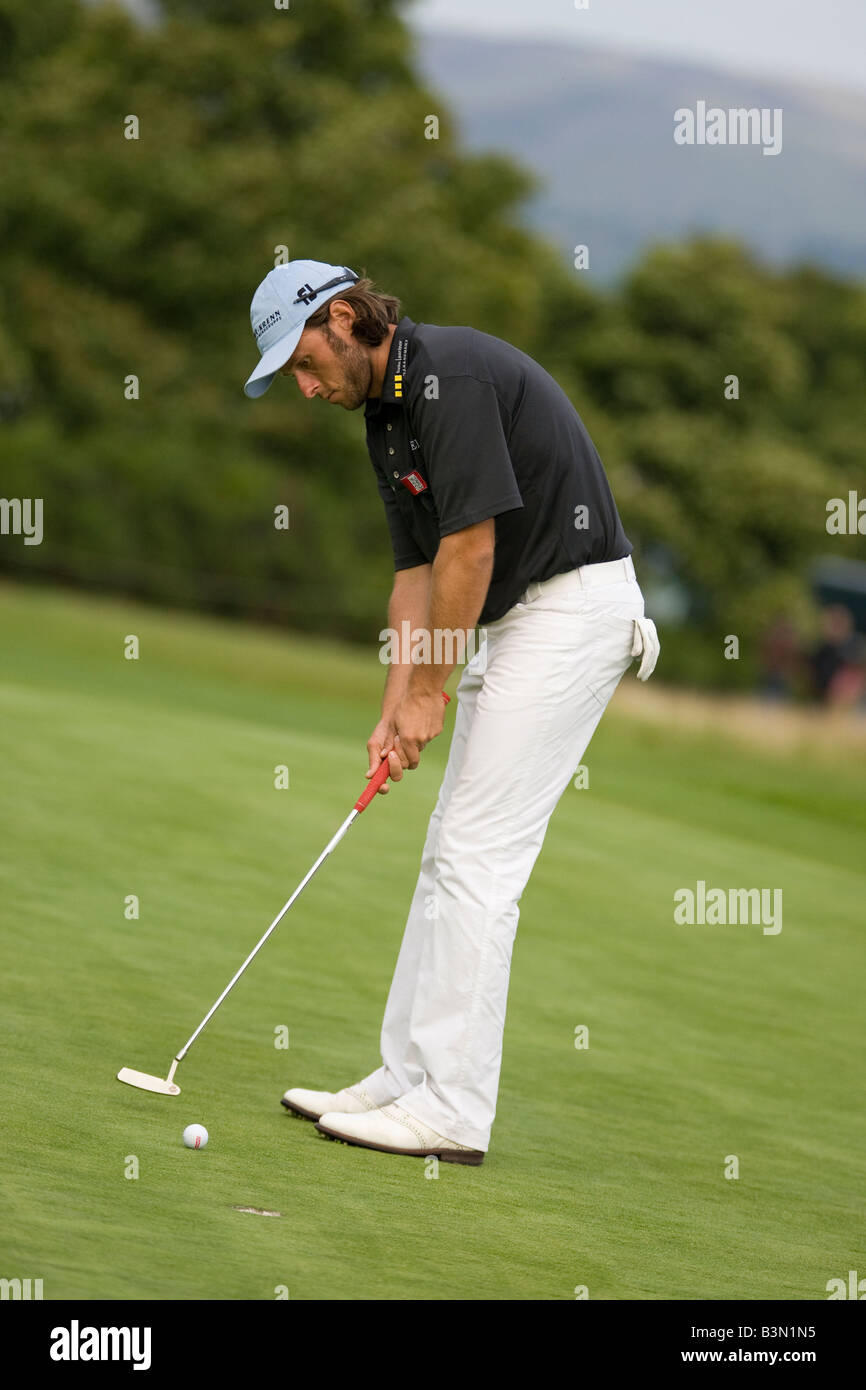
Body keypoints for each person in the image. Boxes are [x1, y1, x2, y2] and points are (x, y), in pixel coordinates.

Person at [244, 259, 660, 1164]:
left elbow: (470, 549)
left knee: (478, 856)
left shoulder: (449, 378)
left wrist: (431, 692)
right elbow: (414, 577)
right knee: (446, 850)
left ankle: (453, 1110)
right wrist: (396, 707)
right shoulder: (385, 420)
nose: (307, 388)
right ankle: (407, 1077)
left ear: (346, 318)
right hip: (517, 618)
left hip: (573, 609)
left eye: (305, 364)